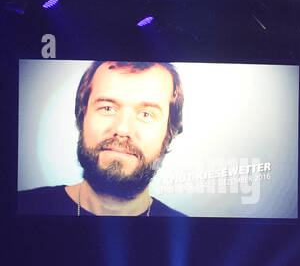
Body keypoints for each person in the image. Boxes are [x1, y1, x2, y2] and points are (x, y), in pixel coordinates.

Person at [19, 60, 188, 216]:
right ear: (81, 116)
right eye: (107, 108)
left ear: (170, 132)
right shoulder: (21, 206)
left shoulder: (194, 231)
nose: (122, 129)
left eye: (146, 114)